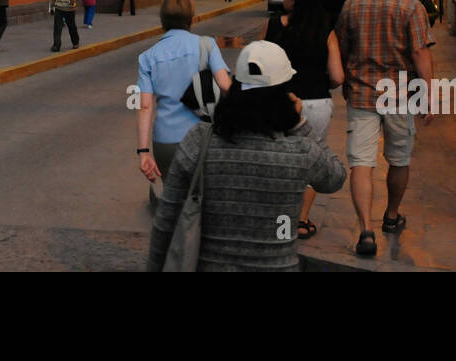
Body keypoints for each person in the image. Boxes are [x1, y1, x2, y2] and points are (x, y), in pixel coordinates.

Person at [147, 41, 346, 271]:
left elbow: (166, 221)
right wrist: (301, 124)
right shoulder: (300, 149)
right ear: (284, 92)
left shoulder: (200, 140)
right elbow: (336, 177)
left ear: (236, 87)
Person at [334, 0, 433, 257]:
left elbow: (343, 47)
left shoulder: (351, 5)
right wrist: (428, 93)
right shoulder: (411, 6)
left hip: (362, 95)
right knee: (399, 158)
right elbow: (419, 53)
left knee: (361, 163)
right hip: (399, 95)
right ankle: (391, 215)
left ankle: (366, 229)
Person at [263, 0, 344, 239]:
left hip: (279, 102)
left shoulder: (275, 26)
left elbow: (261, 66)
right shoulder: (325, 28)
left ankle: (278, 218)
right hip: (317, 102)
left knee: (278, 159)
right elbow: (338, 76)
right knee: (311, 159)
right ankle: (300, 220)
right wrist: (322, 84)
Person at [136, 0, 232, 205]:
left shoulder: (148, 57)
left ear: (162, 21)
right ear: (191, 19)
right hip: (203, 137)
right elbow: (226, 85)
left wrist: (143, 152)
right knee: (205, 200)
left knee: (176, 201)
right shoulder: (206, 45)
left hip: (165, 141)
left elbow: (145, 107)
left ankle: (178, 234)